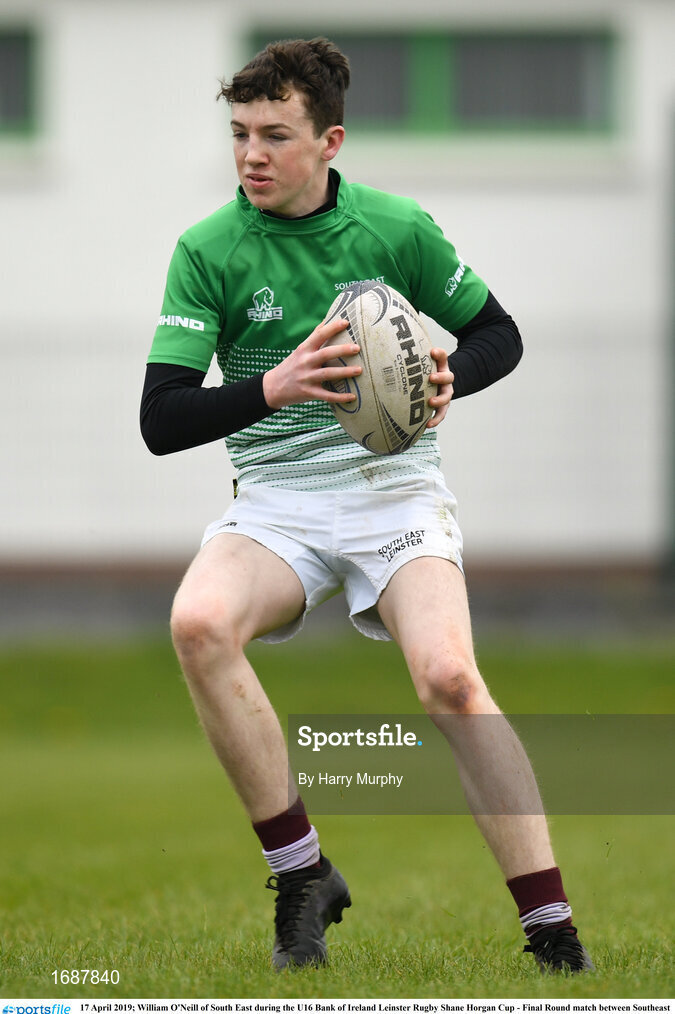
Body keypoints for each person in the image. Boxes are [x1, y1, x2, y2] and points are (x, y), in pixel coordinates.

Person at [141, 37, 593, 975]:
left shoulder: (395, 229)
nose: (250, 155)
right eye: (238, 134)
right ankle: (301, 872)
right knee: (197, 622)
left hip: (396, 496)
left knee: (451, 683)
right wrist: (276, 385)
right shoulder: (209, 250)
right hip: (279, 504)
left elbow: (497, 335)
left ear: (329, 140)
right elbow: (160, 419)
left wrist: (447, 378)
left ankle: (552, 931)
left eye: (274, 135)